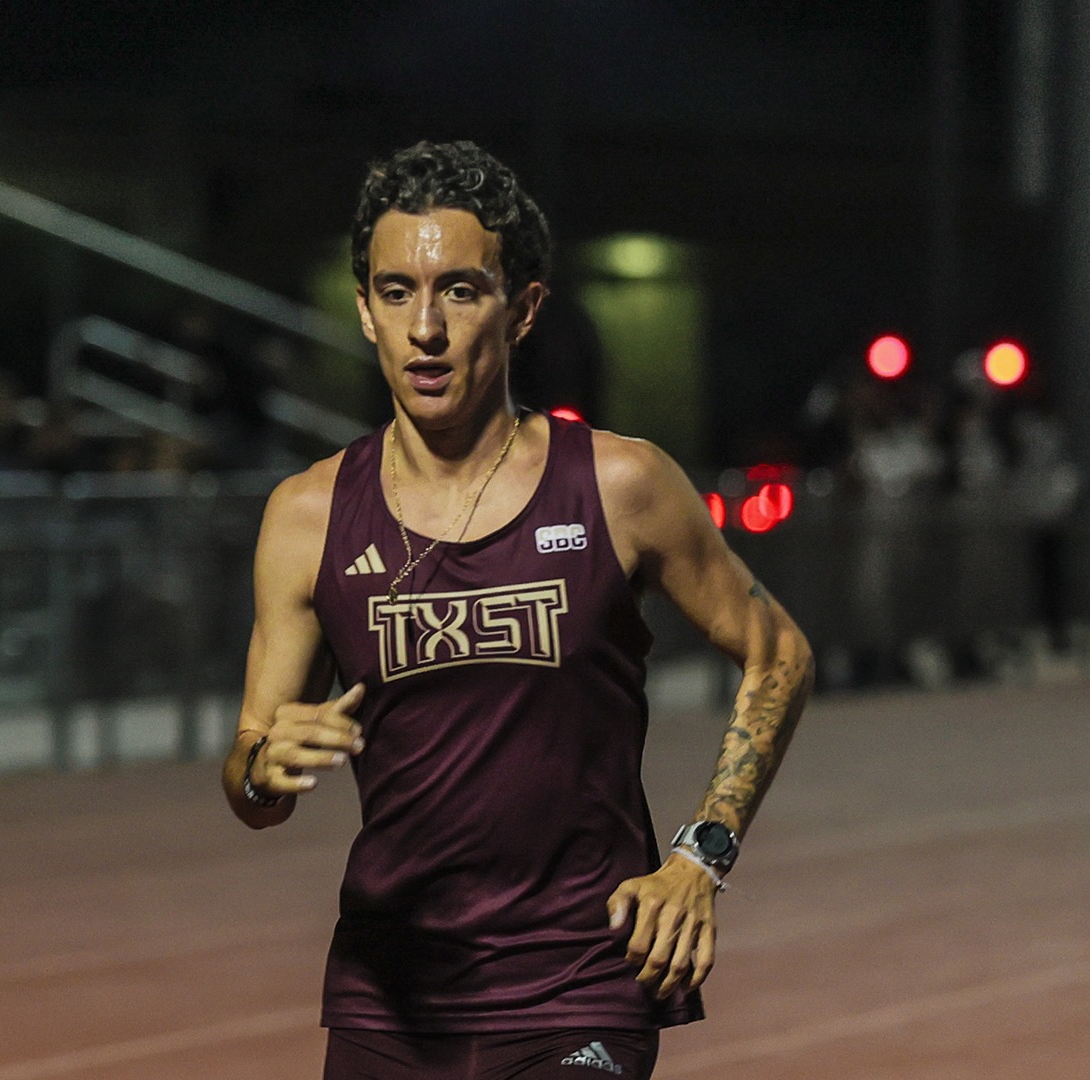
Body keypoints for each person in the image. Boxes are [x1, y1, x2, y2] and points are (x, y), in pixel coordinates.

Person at [220, 141, 813, 1080]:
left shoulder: (619, 485)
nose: (426, 328)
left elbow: (778, 652)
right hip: (390, 996)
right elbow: (253, 786)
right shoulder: (306, 517)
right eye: (397, 293)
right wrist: (263, 767)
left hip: (579, 981)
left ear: (523, 308)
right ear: (366, 312)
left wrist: (702, 856)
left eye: (459, 291)